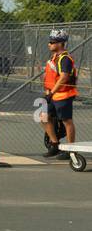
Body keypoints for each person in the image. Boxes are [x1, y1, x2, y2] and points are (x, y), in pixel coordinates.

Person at [41, 28, 78, 158]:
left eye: (52, 42)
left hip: (63, 95)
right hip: (52, 94)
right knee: (43, 116)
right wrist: (48, 92)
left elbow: (64, 77)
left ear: (60, 43)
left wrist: (51, 93)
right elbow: (50, 77)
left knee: (66, 121)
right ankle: (55, 144)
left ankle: (71, 150)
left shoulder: (64, 59)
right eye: (49, 42)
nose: (49, 44)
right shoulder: (54, 58)